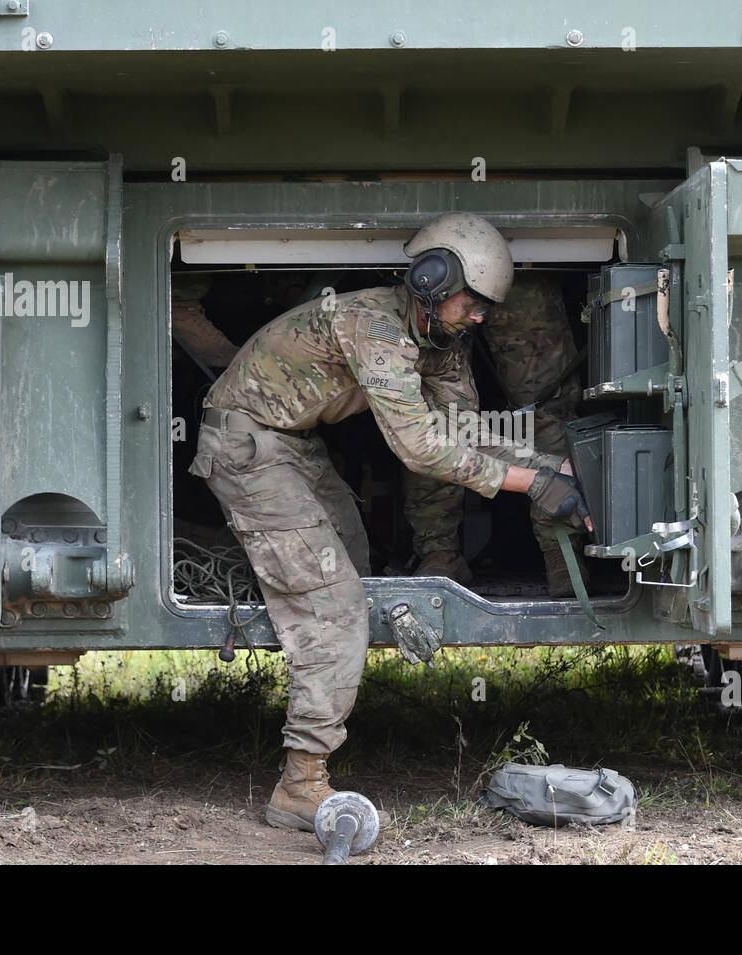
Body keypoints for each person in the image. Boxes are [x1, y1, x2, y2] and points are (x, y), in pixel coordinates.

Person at [189, 212, 590, 831]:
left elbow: (460, 430)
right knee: (335, 603)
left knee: (355, 562)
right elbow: (419, 448)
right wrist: (533, 484)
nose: (481, 317)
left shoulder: (442, 344)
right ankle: (301, 783)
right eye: (473, 302)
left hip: (293, 445)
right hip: (246, 444)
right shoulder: (375, 325)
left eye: (488, 307)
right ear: (432, 280)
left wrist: (551, 465)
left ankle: (325, 693)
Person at [404, 271, 587, 594]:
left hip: (523, 265)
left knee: (545, 407)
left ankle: (561, 547)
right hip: (438, 283)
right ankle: (439, 550)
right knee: (431, 422)